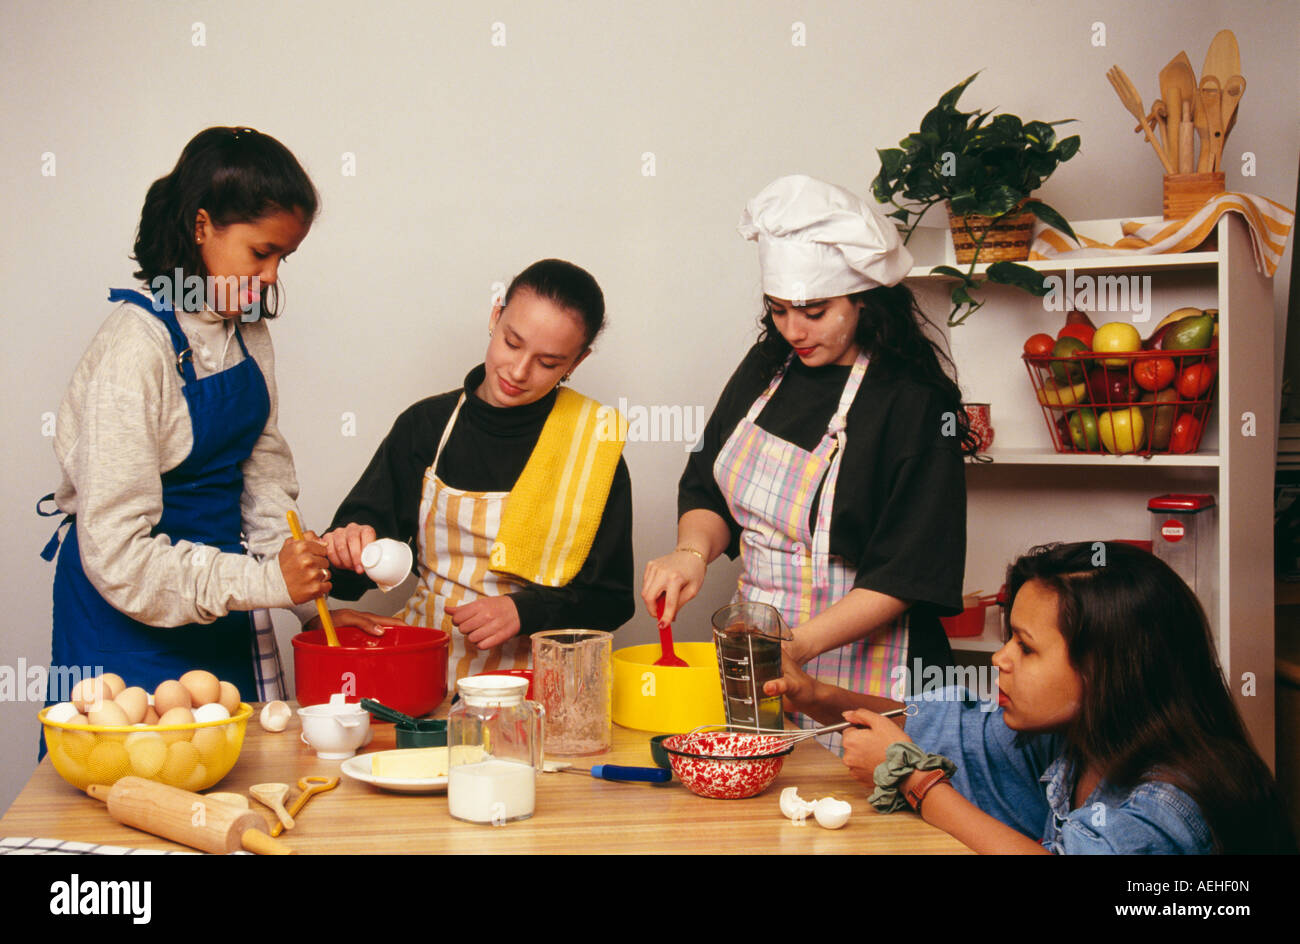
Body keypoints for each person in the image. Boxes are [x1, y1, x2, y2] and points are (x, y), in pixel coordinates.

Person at [641, 174, 976, 747]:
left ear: (865, 301)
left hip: (867, 666)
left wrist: (790, 647)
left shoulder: (914, 401)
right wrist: (691, 553)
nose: (792, 331)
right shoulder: (767, 368)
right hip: (763, 651)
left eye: (814, 312)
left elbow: (907, 571)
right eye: (777, 310)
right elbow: (708, 488)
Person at [41, 126, 338, 706]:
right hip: (125, 624)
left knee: (231, 779)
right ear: (202, 226)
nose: (273, 276)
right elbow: (119, 553)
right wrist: (263, 582)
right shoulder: (136, 349)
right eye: (262, 252)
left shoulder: (246, 330)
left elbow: (266, 489)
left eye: (285, 256)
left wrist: (312, 609)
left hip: (221, 609)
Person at [767, 541, 1297, 854]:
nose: (1001, 659)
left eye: (1026, 646)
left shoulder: (1169, 804)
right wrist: (816, 694)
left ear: (1108, 669)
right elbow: (943, 727)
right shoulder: (1070, 738)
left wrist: (919, 782)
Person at [321, 259, 635, 682]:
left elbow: (612, 599)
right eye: (511, 342)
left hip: (540, 684)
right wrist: (346, 549)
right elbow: (353, 569)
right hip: (424, 667)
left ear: (577, 362)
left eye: (548, 362)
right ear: (495, 316)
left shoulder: (592, 446)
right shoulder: (425, 426)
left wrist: (523, 611)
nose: (518, 371)